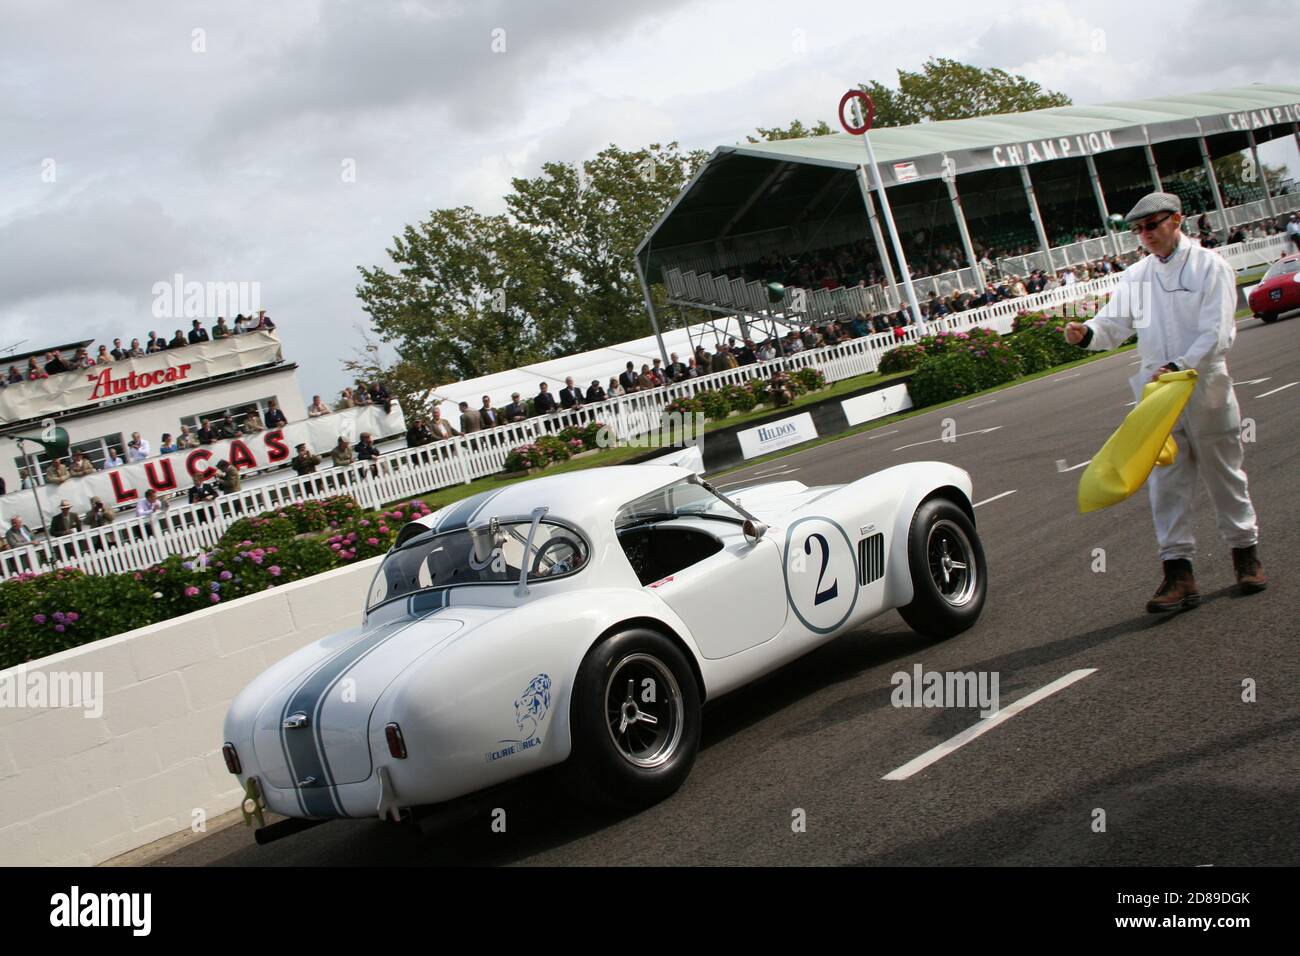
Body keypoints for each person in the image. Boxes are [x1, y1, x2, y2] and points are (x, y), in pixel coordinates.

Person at [1064, 191, 1265, 612]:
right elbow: (1114, 323)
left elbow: (1217, 332)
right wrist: (1087, 333)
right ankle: (1178, 573)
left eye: (1152, 226)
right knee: (1166, 485)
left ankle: (1245, 555)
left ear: (1176, 220)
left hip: (1203, 384)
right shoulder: (1136, 276)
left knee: (1223, 474)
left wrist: (1180, 364)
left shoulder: (1211, 266)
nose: (1145, 236)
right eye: (1138, 230)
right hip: (1158, 394)